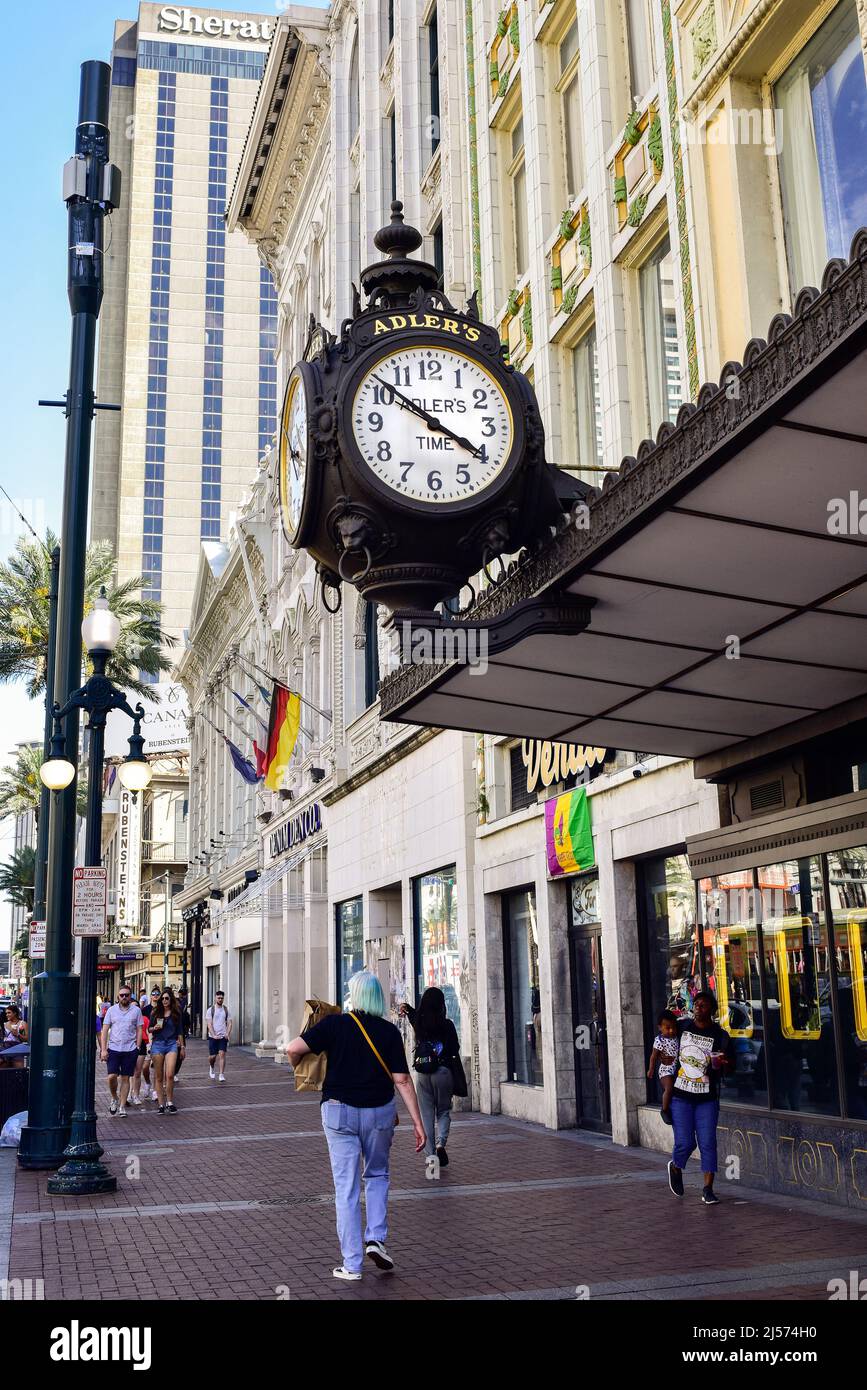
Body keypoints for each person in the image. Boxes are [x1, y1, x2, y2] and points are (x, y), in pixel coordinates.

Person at [285, 970, 426, 1281]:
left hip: (338, 1112)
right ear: (378, 998)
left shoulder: (334, 1025)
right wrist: (418, 1122)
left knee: (345, 1189)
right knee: (377, 1174)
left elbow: (293, 1049)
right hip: (379, 1113)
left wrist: (302, 1070)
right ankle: (375, 1239)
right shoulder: (390, 1032)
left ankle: (351, 1265)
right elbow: (402, 1080)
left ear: (354, 996)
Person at [667, 990, 735, 1205]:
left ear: (712, 1010)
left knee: (707, 1143)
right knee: (685, 1143)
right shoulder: (683, 1027)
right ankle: (676, 1166)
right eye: (696, 1004)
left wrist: (724, 1064)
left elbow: (731, 1066)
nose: (698, 1007)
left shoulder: (721, 1035)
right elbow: (663, 1037)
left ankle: (708, 1189)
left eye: (703, 1005)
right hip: (681, 1096)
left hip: (707, 1098)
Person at [400, 987, 460, 1167]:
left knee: (426, 1114)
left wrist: (408, 1008)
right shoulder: (447, 1024)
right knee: (443, 1111)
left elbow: (413, 1016)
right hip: (443, 1072)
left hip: (423, 1073)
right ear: (442, 1004)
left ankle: (430, 1156)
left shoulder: (419, 1022)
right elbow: (455, 1048)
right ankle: (441, 1144)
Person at [101, 985, 143, 1117]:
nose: (124, 997)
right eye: (122, 995)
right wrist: (103, 1049)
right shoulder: (111, 1010)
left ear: (131, 996)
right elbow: (105, 1030)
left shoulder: (136, 1011)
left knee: (126, 1078)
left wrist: (137, 1046)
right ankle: (114, 1098)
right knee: (111, 1076)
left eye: (127, 995)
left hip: (130, 1049)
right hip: (113, 1048)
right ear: (118, 997)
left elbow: (140, 1029)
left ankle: (122, 1106)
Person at [149, 986, 186, 1114]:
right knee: (159, 1077)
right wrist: (154, 1028)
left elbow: (180, 1031)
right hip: (158, 1043)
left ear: (171, 1000)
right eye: (163, 998)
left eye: (167, 998)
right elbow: (149, 1029)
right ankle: (161, 1104)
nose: (164, 1001)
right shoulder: (155, 1012)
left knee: (169, 1075)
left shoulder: (176, 1013)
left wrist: (182, 1047)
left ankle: (170, 1102)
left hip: (171, 1044)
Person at [647, 1009, 679, 1124]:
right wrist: (651, 1069)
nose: (671, 1030)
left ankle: (670, 1106)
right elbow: (653, 1056)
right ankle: (664, 1110)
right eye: (667, 1027)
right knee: (669, 1087)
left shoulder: (676, 1036)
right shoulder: (660, 1040)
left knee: (674, 1089)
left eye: (673, 1027)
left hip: (676, 1069)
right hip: (665, 1069)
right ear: (660, 1027)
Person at [205, 990, 232, 1081]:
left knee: (222, 1054)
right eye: (218, 998)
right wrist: (213, 1034)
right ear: (215, 998)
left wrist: (227, 1034)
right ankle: (211, 1066)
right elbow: (209, 1024)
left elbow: (229, 1023)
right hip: (213, 1037)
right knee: (212, 1057)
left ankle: (221, 1074)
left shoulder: (226, 1010)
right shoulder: (211, 1010)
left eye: (222, 998)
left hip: (222, 1037)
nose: (220, 999)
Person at [0, 1004, 30, 1069]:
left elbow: (27, 1039)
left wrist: (17, 1034)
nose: (7, 1015)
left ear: (15, 1013)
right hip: (5, 1048)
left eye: (9, 1013)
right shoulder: (4, 1024)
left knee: (18, 1070)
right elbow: (2, 1038)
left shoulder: (22, 1023)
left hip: (17, 1049)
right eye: (6, 1013)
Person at [174, 988, 193, 1080]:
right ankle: (172, 1072)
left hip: (181, 1035)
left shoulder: (181, 1010)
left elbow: (184, 1023)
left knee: (180, 1056)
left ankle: (175, 1072)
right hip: (171, 1038)